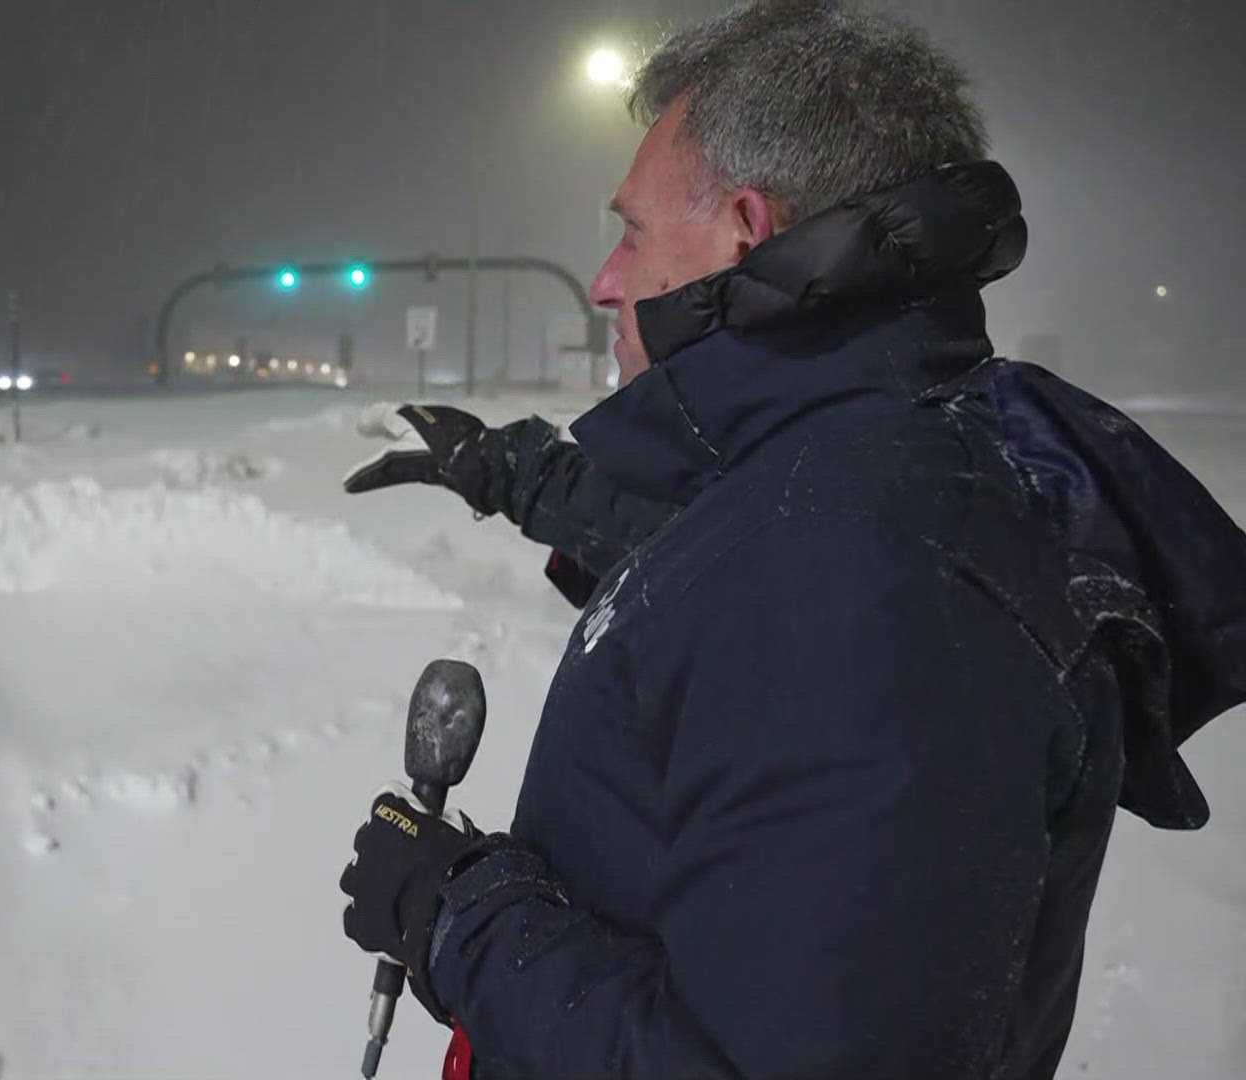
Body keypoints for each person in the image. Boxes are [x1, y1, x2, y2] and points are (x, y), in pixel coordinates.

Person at [336, 2, 1246, 1078]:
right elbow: (726, 553)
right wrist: (514, 475)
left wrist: (460, 918)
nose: (605, 282)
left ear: (745, 234)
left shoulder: (875, 581)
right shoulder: (878, 472)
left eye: (630, 231)